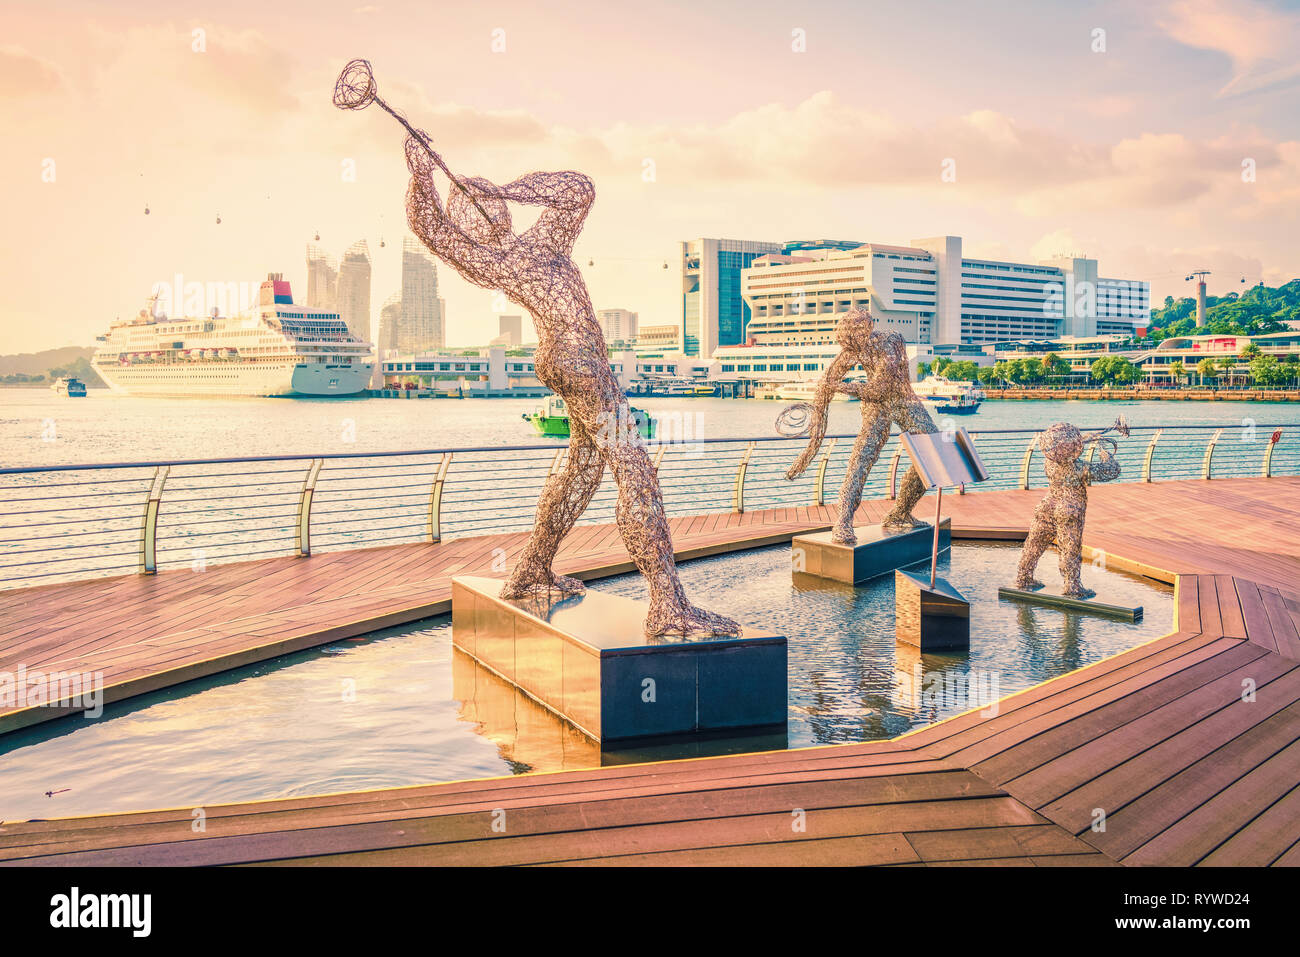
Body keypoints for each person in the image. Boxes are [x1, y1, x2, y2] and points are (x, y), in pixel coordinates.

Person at [403, 134, 739, 638]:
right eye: (478, 208)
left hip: (568, 362)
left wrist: (503, 188)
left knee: (580, 468)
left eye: (490, 204)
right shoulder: (504, 260)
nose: (489, 211)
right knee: (635, 467)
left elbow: (579, 189)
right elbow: (432, 230)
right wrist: (421, 178)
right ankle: (667, 602)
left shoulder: (544, 241)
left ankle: (530, 570)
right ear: (474, 223)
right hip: (577, 362)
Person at [782, 307, 938, 545]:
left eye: (856, 341)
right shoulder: (852, 351)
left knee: (933, 452)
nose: (853, 349)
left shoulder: (891, 340)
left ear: (866, 330)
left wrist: (841, 387)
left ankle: (900, 512)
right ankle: (843, 521)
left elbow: (879, 388)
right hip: (876, 408)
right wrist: (812, 439)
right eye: (849, 345)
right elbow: (826, 387)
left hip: (902, 401)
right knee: (860, 461)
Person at [1014, 421, 1125, 598]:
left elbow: (1063, 455)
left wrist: (1084, 440)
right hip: (1069, 509)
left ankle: (1023, 577)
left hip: (1047, 505)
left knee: (1034, 544)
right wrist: (1106, 456)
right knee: (1069, 549)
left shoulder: (1048, 462)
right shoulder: (1079, 467)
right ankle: (1072, 587)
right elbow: (1112, 471)